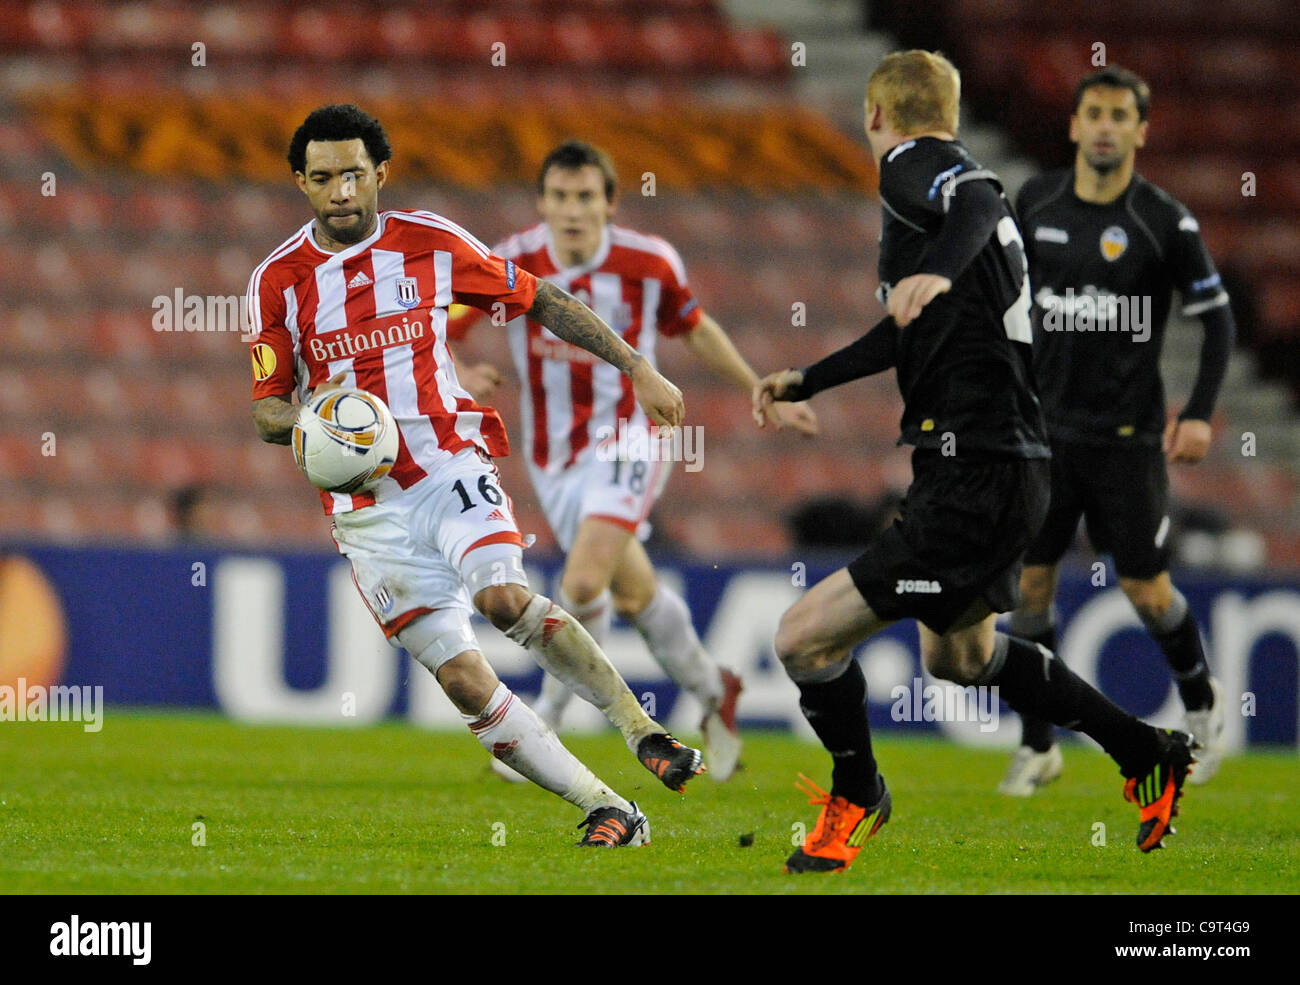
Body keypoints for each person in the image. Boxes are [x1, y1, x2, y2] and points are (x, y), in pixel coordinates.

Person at [753, 51, 1196, 874]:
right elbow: (907, 326)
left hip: (977, 473)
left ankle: (857, 796)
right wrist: (808, 378)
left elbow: (981, 197)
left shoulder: (918, 167)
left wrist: (933, 269)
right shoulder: (939, 203)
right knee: (957, 657)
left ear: (876, 114)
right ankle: (1146, 750)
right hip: (1004, 466)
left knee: (802, 641)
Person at [245, 105, 705, 849]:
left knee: (501, 597)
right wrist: (314, 424)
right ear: (301, 181)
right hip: (366, 510)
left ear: (380, 173)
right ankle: (608, 808)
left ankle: (640, 728)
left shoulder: (430, 241)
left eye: (354, 174)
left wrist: (636, 366)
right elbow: (267, 410)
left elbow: (541, 298)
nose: (341, 191)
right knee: (462, 680)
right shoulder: (276, 281)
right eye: (323, 177)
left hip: (448, 462)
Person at [448, 140, 818, 780]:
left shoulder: (649, 263)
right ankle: (713, 689)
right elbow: (442, 325)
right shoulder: (512, 260)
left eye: (585, 197)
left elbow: (695, 328)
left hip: (630, 439)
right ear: (541, 203)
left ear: (610, 204)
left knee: (583, 582)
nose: (572, 210)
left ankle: (543, 724)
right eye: (560, 197)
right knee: (635, 592)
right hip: (554, 456)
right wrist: (459, 371)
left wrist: (757, 387)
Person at [999, 66, 1234, 796]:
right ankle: (1038, 746)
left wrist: (1198, 411)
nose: (1105, 126)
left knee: (1147, 590)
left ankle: (1203, 706)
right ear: (1074, 126)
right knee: (1029, 586)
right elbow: (1004, 301)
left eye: (1120, 115)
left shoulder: (1164, 221)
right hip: (1043, 435)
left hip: (1127, 442)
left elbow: (1218, 321)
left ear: (1141, 130)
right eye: (1094, 113)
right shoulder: (1034, 202)